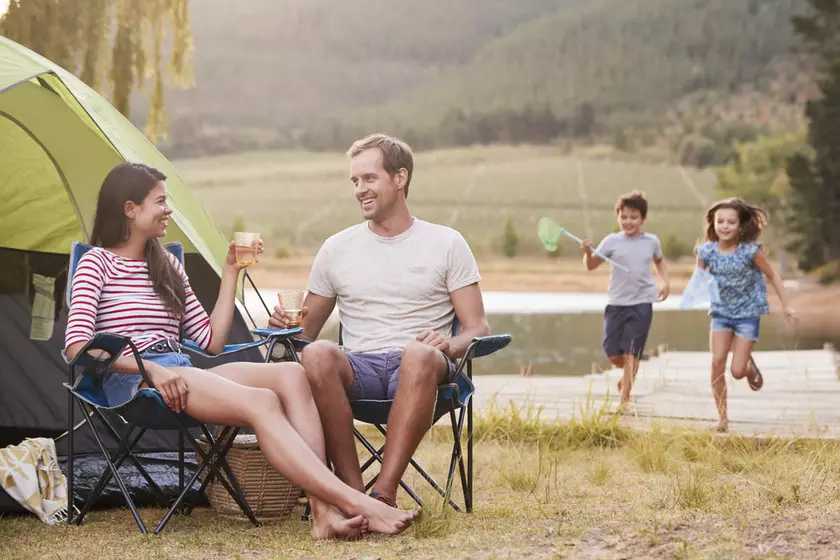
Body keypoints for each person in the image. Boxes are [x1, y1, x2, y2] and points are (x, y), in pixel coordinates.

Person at [64, 162, 418, 539]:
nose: (168, 209)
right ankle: (358, 502)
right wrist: (151, 370)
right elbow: (77, 350)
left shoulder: (165, 264)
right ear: (130, 209)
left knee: (291, 374)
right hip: (136, 382)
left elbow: (210, 341)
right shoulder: (96, 263)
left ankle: (323, 513)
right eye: (160, 202)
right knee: (262, 402)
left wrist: (230, 270)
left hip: (180, 371)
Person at [269, 133, 490, 508]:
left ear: (399, 178)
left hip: (425, 370)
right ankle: (352, 493)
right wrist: (283, 326)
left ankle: (383, 495)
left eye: (369, 178)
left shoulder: (447, 243)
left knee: (417, 354)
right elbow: (305, 334)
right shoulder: (336, 248)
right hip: (360, 368)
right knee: (320, 354)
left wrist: (448, 345)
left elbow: (478, 328)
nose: (359, 189)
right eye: (355, 181)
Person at [696, 198, 796, 433]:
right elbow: (697, 279)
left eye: (731, 222)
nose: (725, 226)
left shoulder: (751, 252)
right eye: (720, 221)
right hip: (721, 314)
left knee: (737, 371)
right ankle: (722, 418)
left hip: (748, 315)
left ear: (741, 226)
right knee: (717, 363)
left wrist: (786, 305)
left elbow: (773, 276)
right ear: (713, 223)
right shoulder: (706, 251)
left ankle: (747, 365)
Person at [580, 191, 670, 411]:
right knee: (612, 353)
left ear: (643, 219)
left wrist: (665, 282)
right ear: (618, 217)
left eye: (633, 217)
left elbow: (660, 262)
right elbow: (591, 266)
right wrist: (586, 252)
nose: (628, 222)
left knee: (632, 352)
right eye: (624, 217)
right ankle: (628, 374)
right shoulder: (611, 241)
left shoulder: (652, 242)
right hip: (616, 303)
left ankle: (624, 397)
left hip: (642, 303)